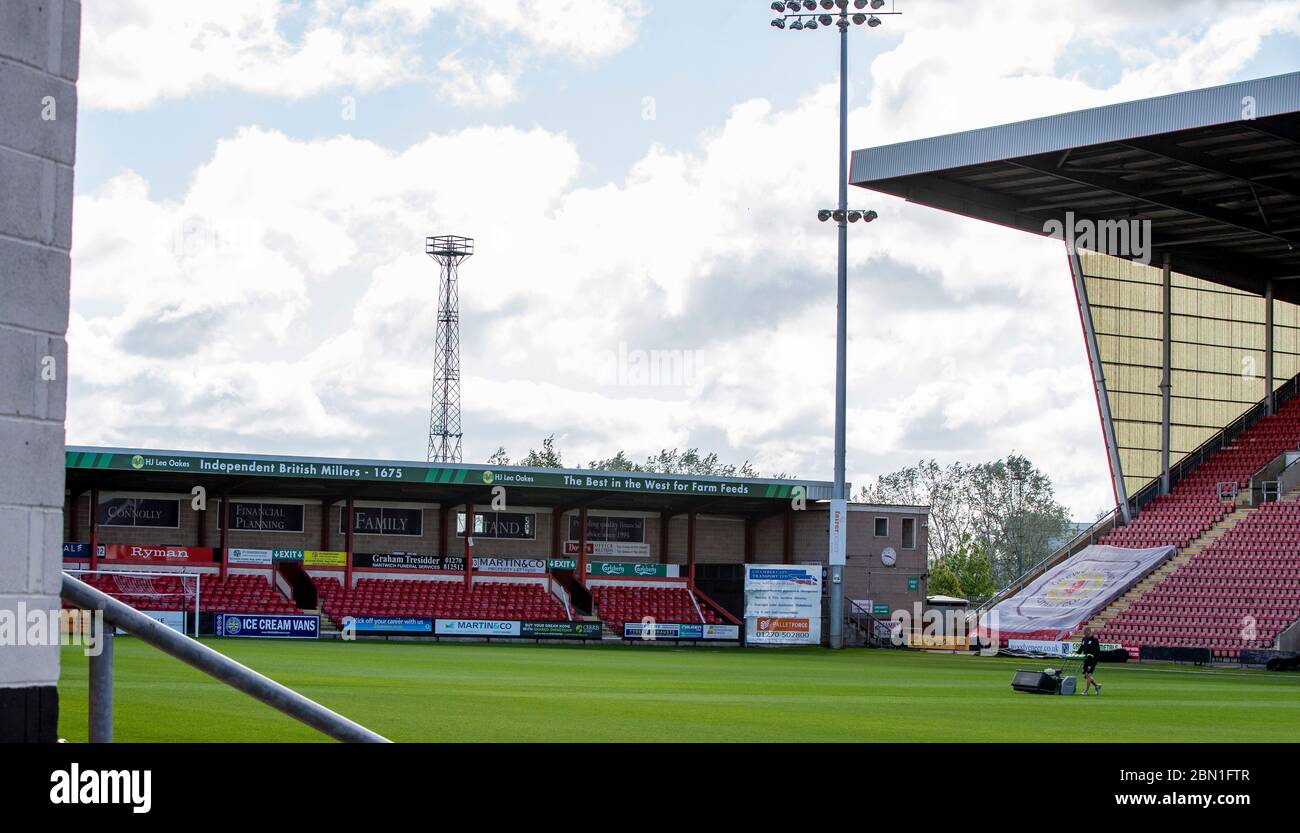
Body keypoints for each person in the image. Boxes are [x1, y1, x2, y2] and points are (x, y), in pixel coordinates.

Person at [1078, 627, 1102, 695]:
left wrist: (1092, 656)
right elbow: (1081, 648)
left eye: (1084, 632)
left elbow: (1097, 651)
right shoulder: (1084, 639)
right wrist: (1076, 653)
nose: (1083, 633)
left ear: (1088, 632)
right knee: (1085, 675)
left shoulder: (1094, 640)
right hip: (1085, 659)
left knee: (1088, 675)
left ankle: (1086, 691)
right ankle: (1097, 686)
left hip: (1092, 660)